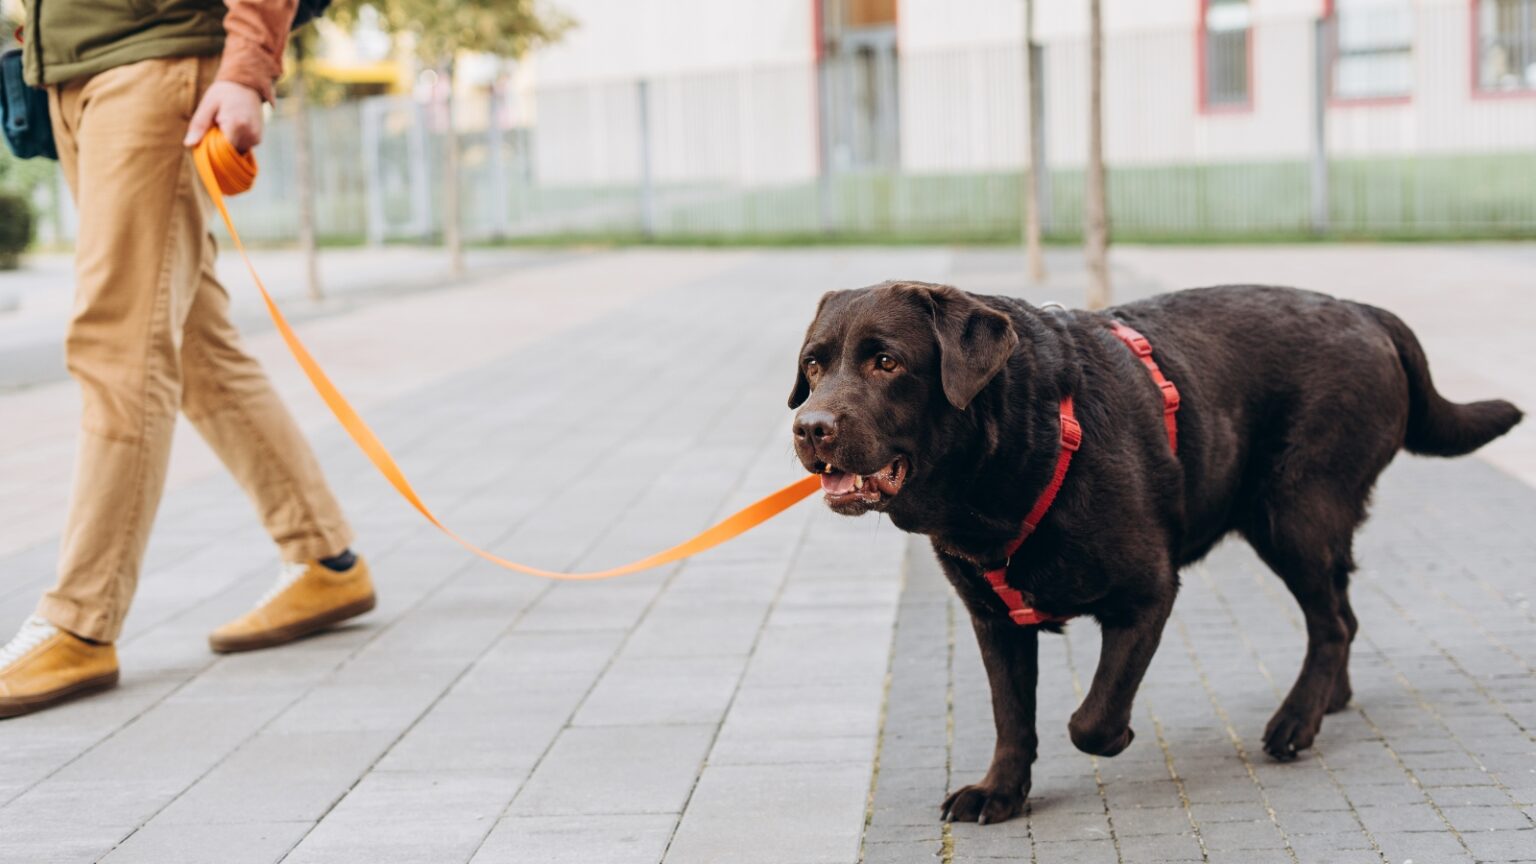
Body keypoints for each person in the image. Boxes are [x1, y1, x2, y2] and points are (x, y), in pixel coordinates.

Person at [0, 0, 375, 718]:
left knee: (117, 342)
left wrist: (245, 67)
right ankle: (325, 559)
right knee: (197, 345)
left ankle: (81, 619)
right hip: (76, 76)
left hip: (156, 63)